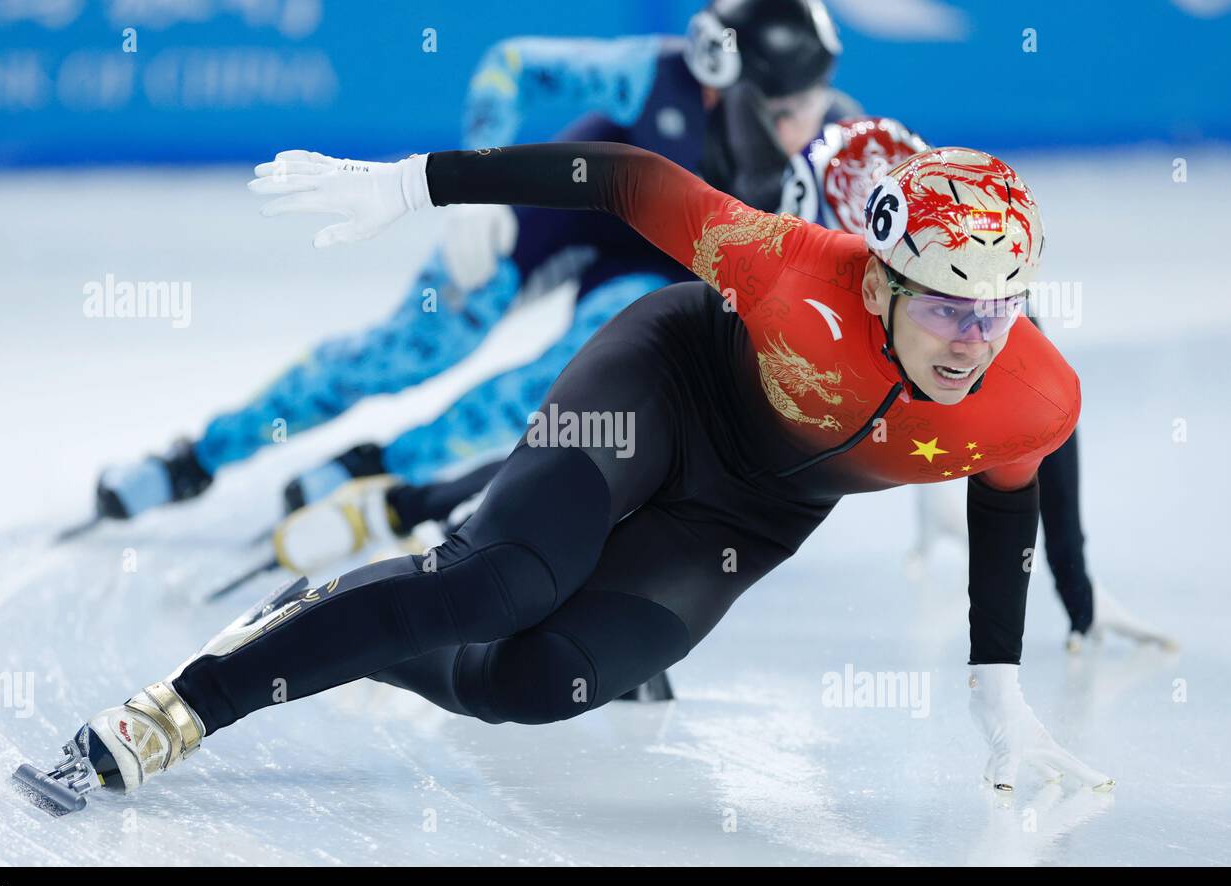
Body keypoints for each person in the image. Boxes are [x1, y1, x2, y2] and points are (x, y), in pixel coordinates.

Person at [15, 135, 1118, 816]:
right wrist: (413, 185)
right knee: (499, 580)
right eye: (941, 304)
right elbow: (625, 178)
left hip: (757, 510)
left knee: (534, 681)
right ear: (879, 280)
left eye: (997, 307)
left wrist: (997, 693)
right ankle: (179, 705)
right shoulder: (785, 266)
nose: (970, 338)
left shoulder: (1034, 390)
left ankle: (346, 626)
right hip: (665, 381)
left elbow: (1005, 506)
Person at [91, 0, 854, 519]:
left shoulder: (837, 149)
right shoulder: (649, 71)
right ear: (717, 78)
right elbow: (511, 63)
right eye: (781, 111)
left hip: (653, 266)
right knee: (409, 349)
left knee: (554, 381)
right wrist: (481, 189)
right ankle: (204, 452)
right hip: (552, 212)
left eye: (812, 105)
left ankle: (386, 469)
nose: (801, 127)